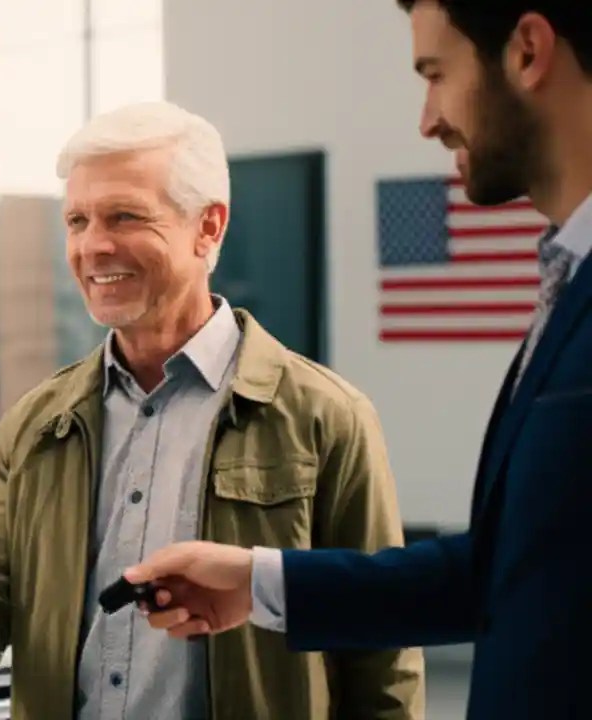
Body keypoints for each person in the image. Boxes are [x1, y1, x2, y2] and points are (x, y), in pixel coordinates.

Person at [0, 100, 424, 719]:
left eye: (124, 216)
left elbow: (379, 655)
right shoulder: (40, 422)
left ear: (208, 227)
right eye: (77, 221)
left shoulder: (323, 418)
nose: (93, 247)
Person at [119, 3, 592, 719]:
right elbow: (504, 571)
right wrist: (258, 581)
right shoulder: (570, 279)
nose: (427, 119)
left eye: (436, 74)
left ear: (528, 51)